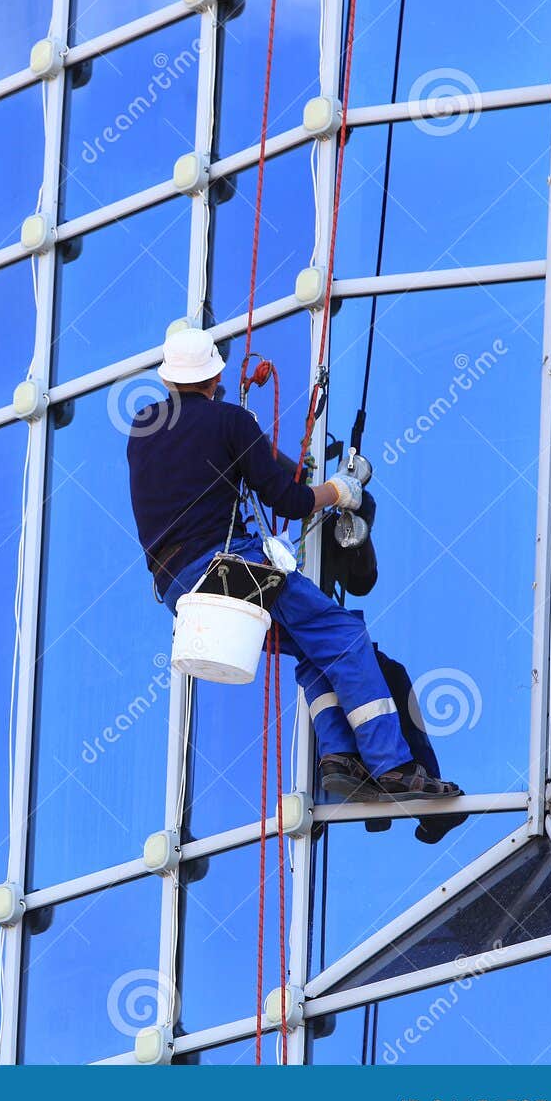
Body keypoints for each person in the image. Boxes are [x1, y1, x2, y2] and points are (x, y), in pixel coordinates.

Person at [125, 327, 461, 804]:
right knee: (344, 634)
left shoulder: (143, 430)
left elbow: (209, 456)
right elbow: (293, 500)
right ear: (214, 377)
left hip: (180, 589)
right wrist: (338, 490)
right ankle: (394, 766)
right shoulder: (230, 421)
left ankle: (340, 759)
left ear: (169, 381)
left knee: (312, 644)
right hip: (229, 570)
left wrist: (271, 458)